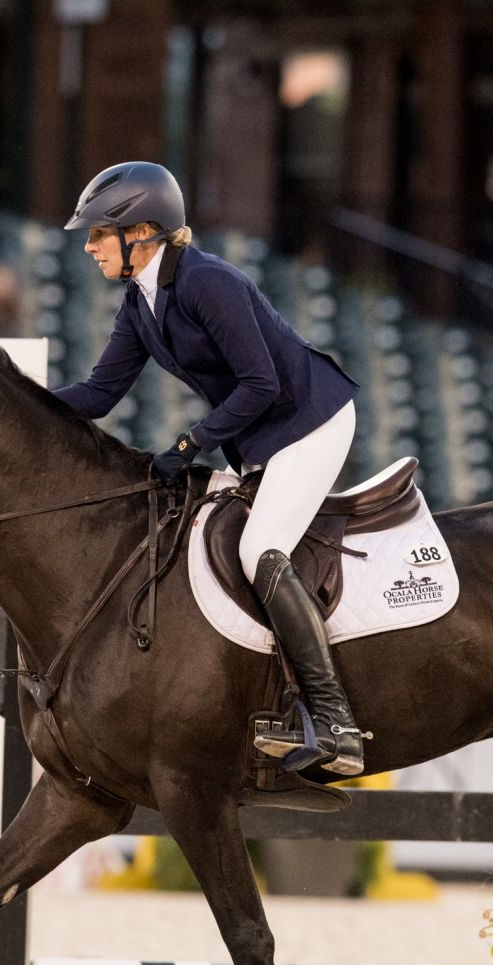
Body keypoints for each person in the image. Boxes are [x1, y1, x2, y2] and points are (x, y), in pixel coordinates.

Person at [52, 161, 366, 775]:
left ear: (140, 233)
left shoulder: (206, 282)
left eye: (96, 234)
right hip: (260, 436)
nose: (87, 246)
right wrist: (15, 395)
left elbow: (262, 381)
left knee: (260, 551)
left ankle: (336, 723)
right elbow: (97, 394)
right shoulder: (140, 303)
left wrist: (191, 442)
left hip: (310, 419)